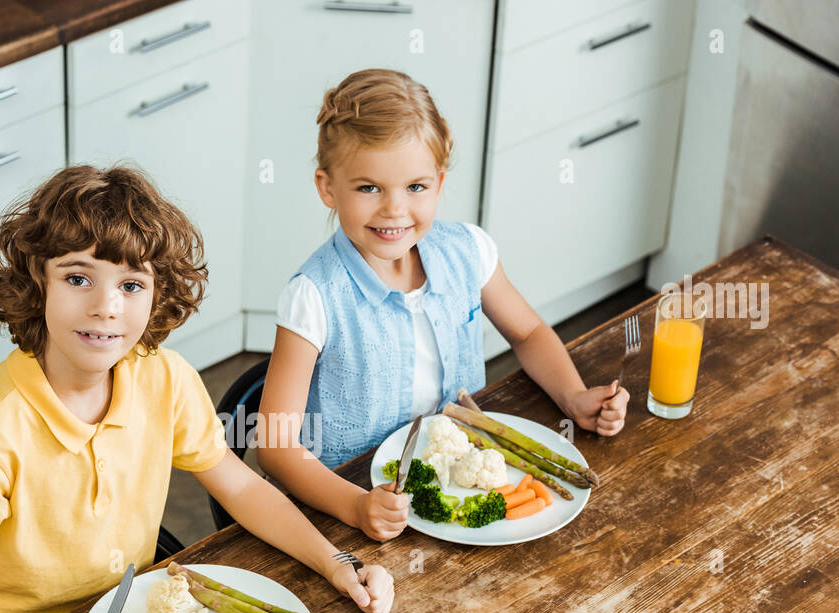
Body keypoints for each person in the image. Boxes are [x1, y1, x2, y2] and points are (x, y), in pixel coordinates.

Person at [0, 165, 394, 613]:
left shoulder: (162, 378)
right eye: (77, 278)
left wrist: (337, 564)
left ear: (156, 294)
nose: (105, 307)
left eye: (131, 285)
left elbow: (239, 486)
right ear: (34, 282)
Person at [256, 69, 630, 542]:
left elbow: (528, 333)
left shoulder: (467, 251)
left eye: (415, 187)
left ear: (439, 182)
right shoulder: (315, 295)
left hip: (455, 487)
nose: (395, 210)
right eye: (369, 188)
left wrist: (573, 397)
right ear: (328, 188)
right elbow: (275, 447)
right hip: (347, 505)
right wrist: (355, 505)